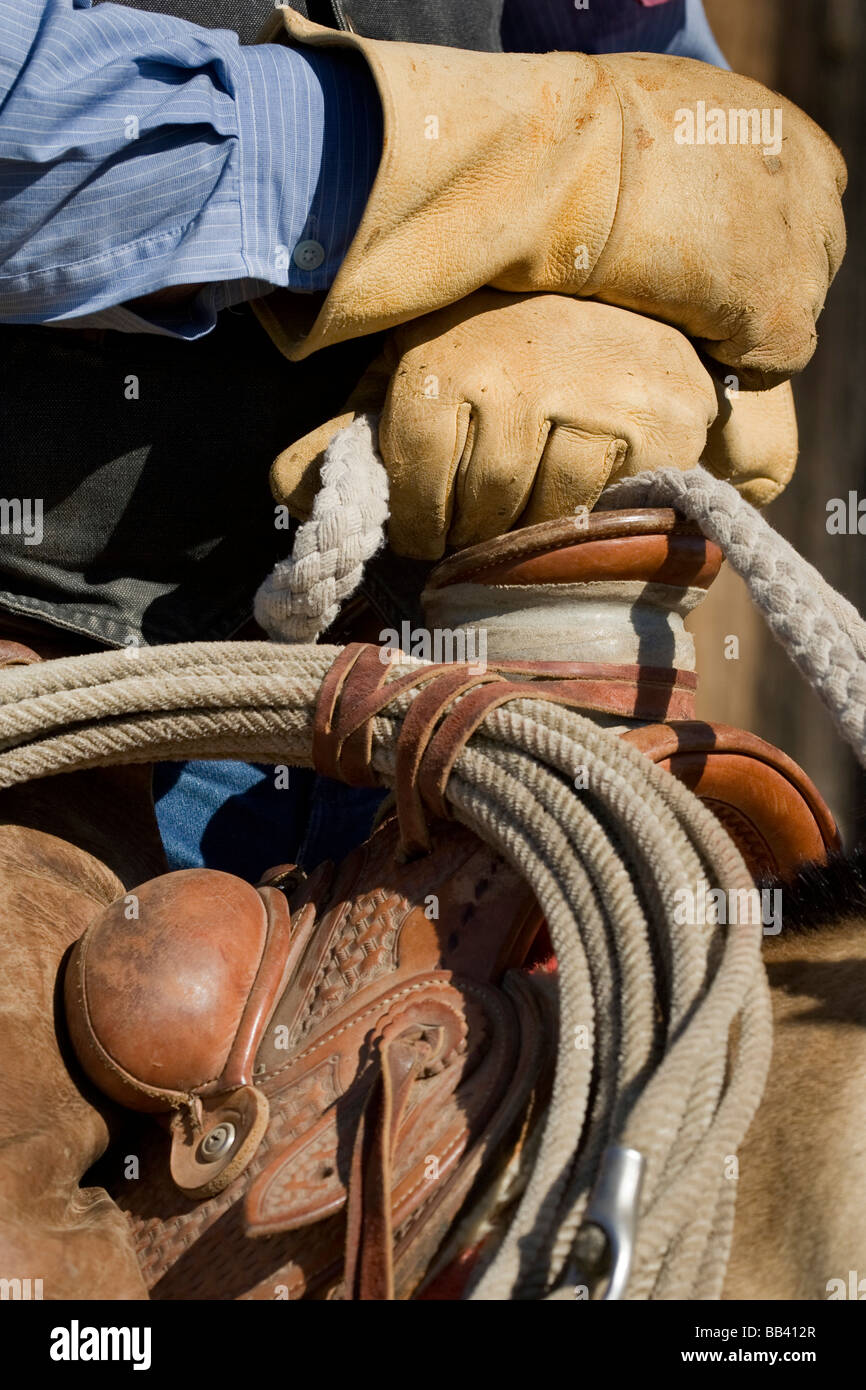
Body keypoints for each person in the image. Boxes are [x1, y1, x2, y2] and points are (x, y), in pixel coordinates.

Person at [0, 0, 846, 881]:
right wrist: (553, 170)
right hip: (56, 672)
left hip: (452, 685)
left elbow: (652, 62)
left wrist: (669, 275)